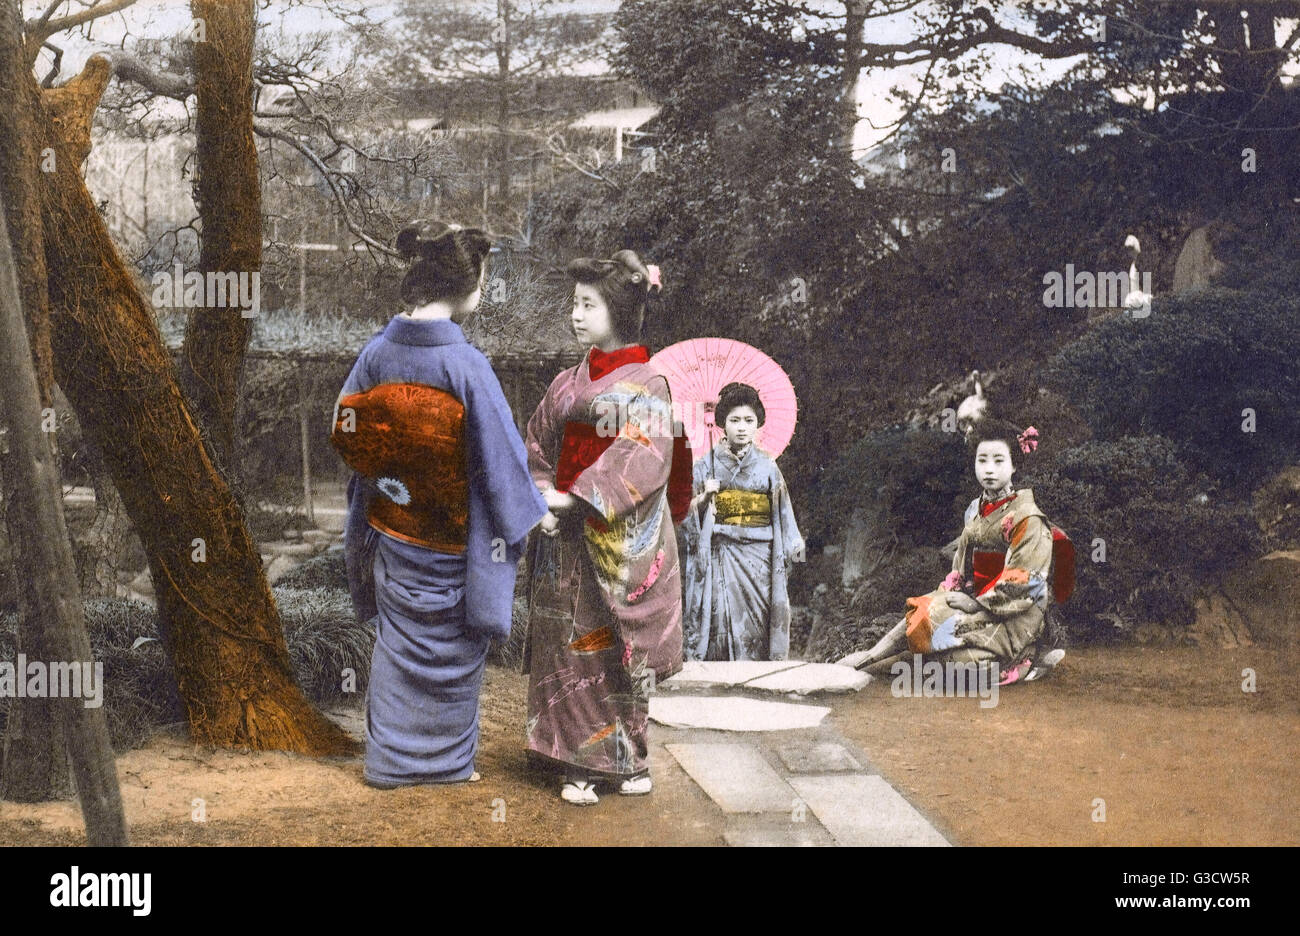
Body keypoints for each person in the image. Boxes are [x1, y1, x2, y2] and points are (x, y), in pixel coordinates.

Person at [331, 220, 547, 788]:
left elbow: (347, 426)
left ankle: (391, 762)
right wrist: (531, 512)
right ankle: (447, 764)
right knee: (454, 646)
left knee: (397, 644)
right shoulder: (466, 365)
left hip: (393, 524)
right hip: (453, 538)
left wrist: (393, 464)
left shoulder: (376, 354)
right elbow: (501, 456)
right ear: (470, 284)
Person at [522, 249, 683, 806]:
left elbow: (644, 456)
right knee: (570, 647)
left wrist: (578, 492)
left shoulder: (652, 383)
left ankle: (630, 757)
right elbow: (537, 442)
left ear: (618, 309)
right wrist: (544, 496)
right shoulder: (567, 382)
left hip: (618, 537)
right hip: (563, 533)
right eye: (574, 303)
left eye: (588, 304)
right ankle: (575, 762)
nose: (576, 314)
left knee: (621, 647)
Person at [838, 419, 1066, 684]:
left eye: (998, 461)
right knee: (926, 611)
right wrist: (950, 596)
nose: (989, 470)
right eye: (982, 461)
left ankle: (1027, 660)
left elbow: (1026, 581)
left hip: (1013, 615)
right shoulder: (976, 510)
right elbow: (959, 570)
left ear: (1014, 465)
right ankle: (870, 657)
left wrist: (975, 603)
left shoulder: (1028, 519)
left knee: (960, 664)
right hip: (976, 601)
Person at [682, 382, 804, 661]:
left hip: (759, 558)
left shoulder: (768, 467)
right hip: (720, 554)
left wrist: (792, 551)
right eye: (734, 420)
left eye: (749, 420)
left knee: (758, 624)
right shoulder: (704, 465)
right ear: (722, 423)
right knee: (718, 619)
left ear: (758, 423)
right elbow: (682, 516)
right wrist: (702, 501)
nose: (742, 427)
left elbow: (783, 513)